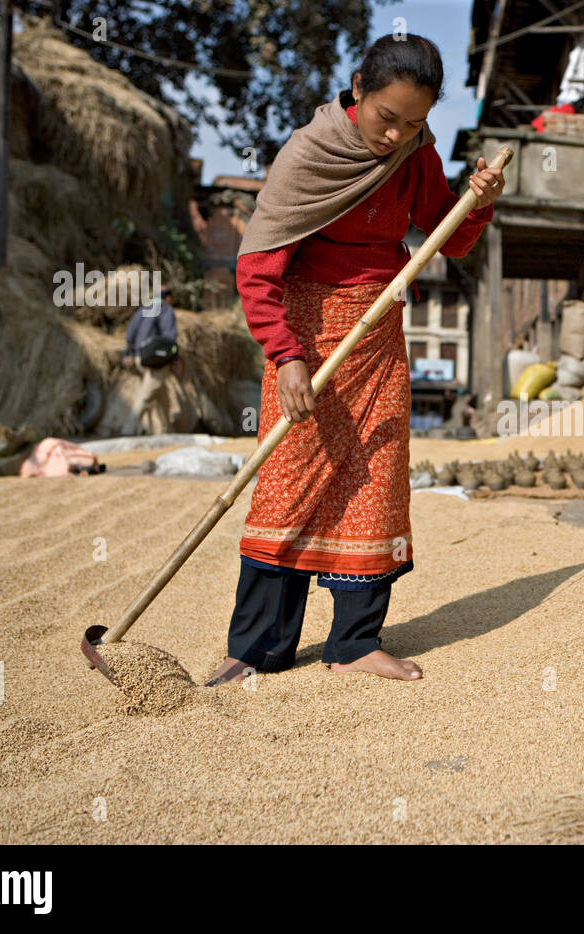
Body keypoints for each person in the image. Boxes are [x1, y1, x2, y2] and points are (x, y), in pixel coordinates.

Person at [207, 34, 505, 686]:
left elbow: (444, 239)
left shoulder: (416, 153)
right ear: (357, 89)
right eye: (385, 117)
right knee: (289, 483)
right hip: (305, 339)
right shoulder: (306, 154)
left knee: (375, 479)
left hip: (377, 334)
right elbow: (256, 270)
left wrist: (473, 203)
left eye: (414, 123)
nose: (395, 135)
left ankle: (354, 641)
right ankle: (257, 648)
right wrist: (284, 357)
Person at [120, 286, 182, 435]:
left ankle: (163, 431)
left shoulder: (143, 310)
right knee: (146, 395)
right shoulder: (166, 310)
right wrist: (176, 358)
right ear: (167, 298)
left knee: (159, 395)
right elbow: (169, 338)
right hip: (156, 361)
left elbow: (129, 337)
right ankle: (128, 430)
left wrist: (129, 354)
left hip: (139, 358)